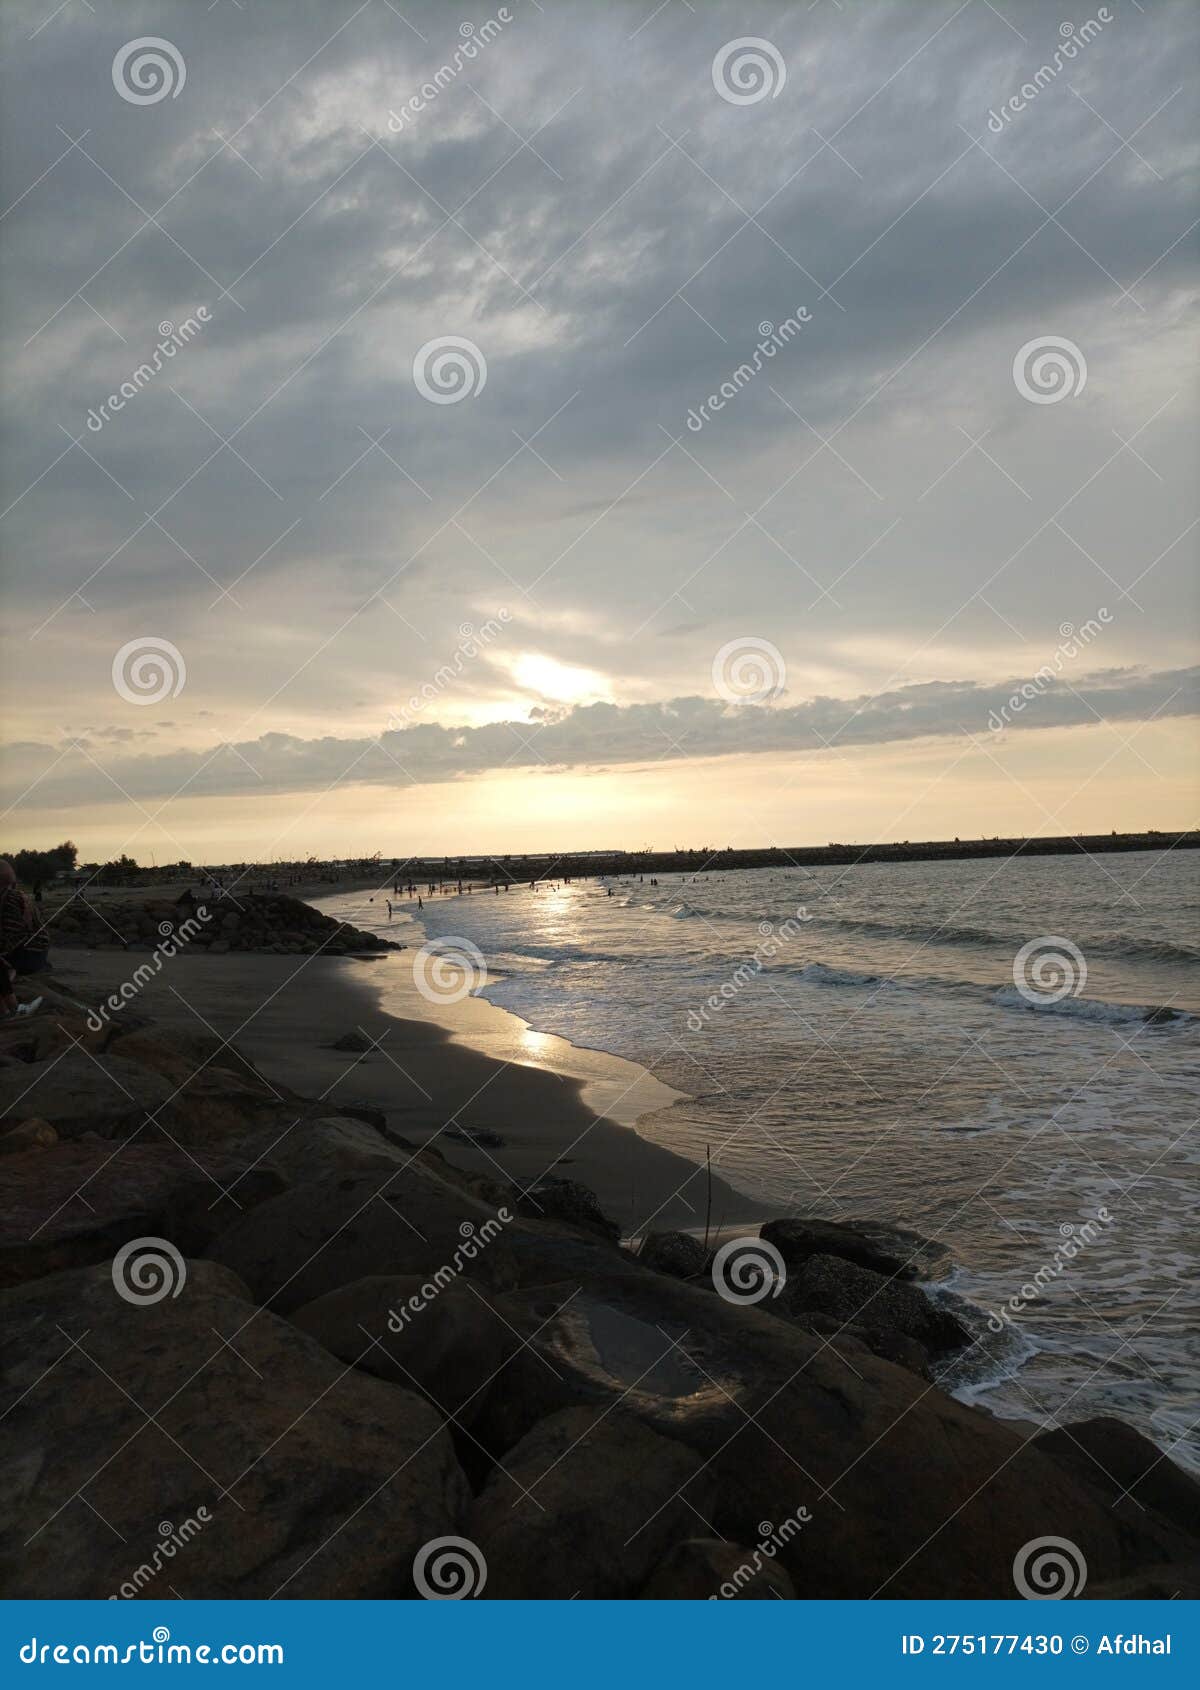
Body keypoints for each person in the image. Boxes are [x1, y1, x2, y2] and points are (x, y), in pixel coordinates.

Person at [1, 859, 49, 1017]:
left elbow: (13, 937)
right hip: (27, 950)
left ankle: (16, 1010)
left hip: (30, 953)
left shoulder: (10, 900)